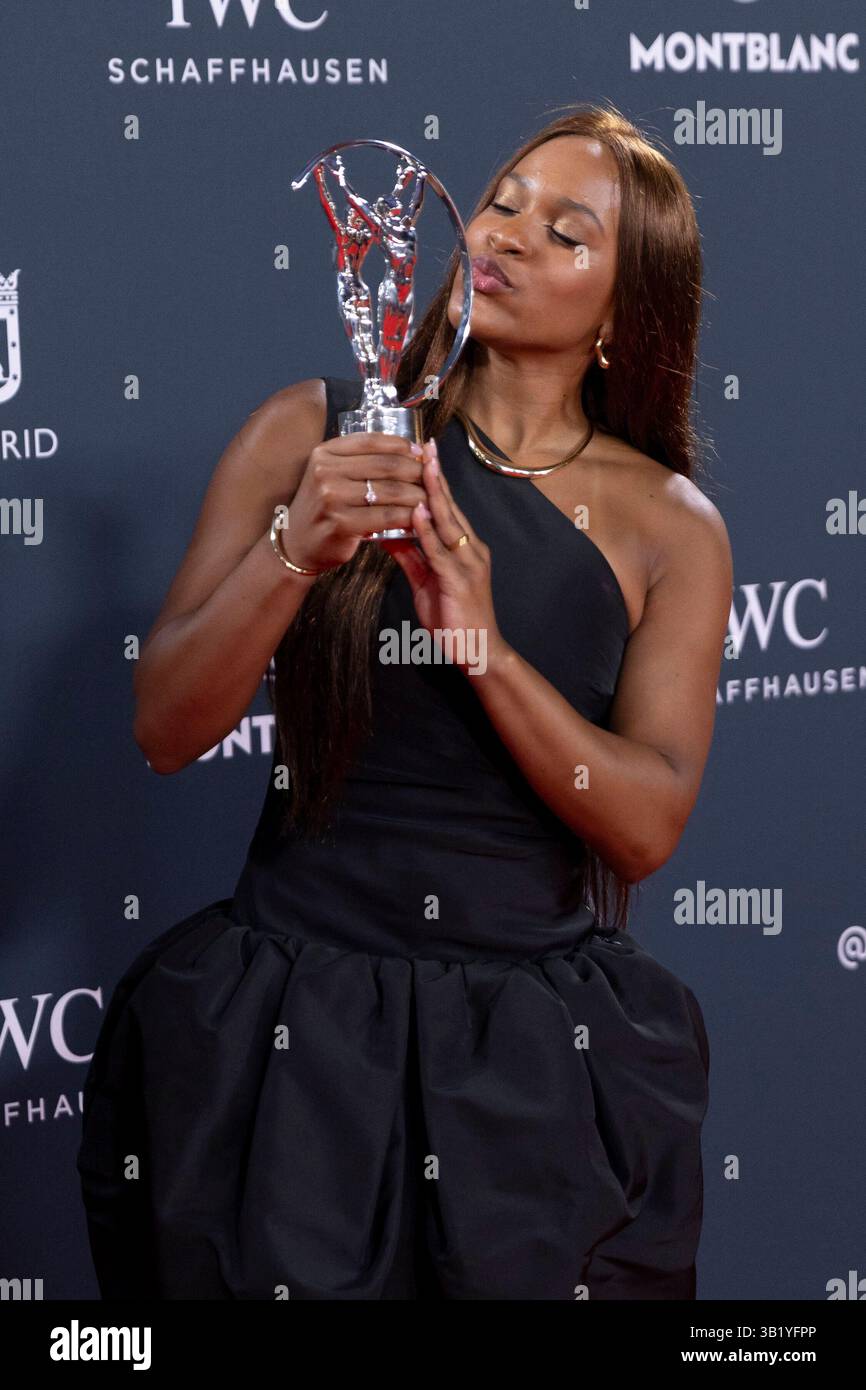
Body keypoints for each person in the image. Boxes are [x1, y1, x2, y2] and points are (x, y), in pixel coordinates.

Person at [76, 104, 733, 1301]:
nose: (511, 236)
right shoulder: (308, 433)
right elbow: (164, 730)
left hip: (525, 1071)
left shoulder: (665, 526)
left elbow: (643, 825)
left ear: (625, 314)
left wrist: (479, 644)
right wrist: (295, 551)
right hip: (287, 1040)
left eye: (566, 231)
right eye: (503, 202)